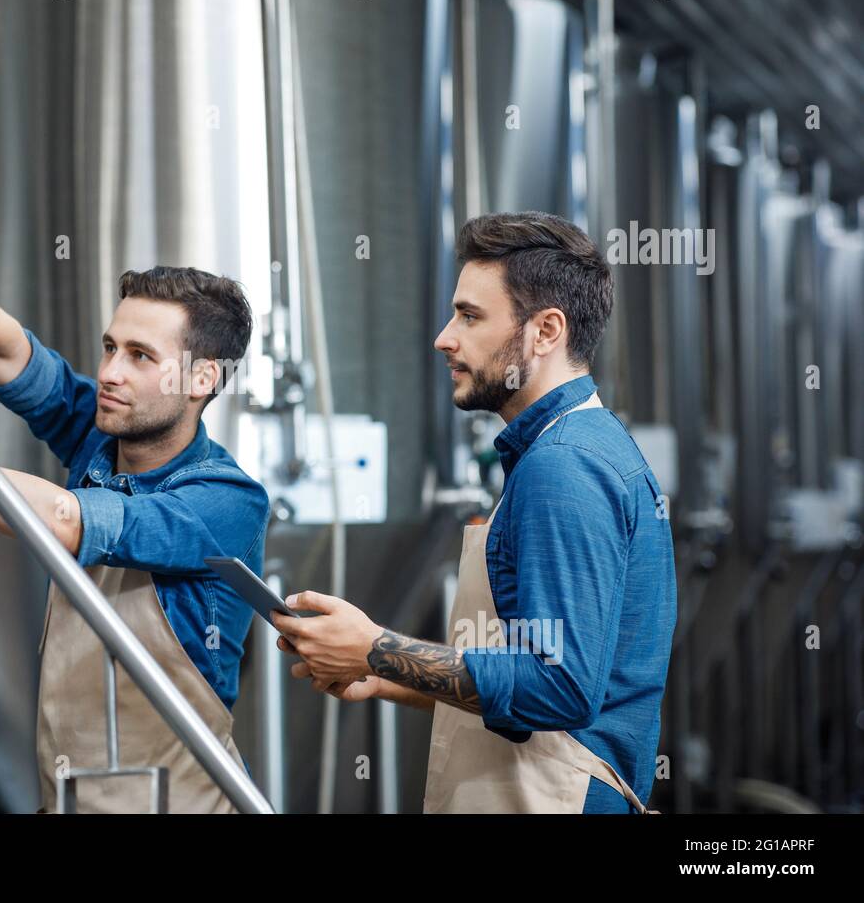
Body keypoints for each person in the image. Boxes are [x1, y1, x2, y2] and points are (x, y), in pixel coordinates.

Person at [0, 224, 270, 812]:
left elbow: (64, 519)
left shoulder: (226, 500)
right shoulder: (101, 437)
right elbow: (7, 352)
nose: (110, 372)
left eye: (141, 357)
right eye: (111, 347)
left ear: (201, 378)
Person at [273, 211, 675, 813]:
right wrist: (391, 677)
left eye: (469, 315)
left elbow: (561, 688)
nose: (444, 337)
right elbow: (531, 686)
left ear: (546, 331)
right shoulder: (566, 448)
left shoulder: (563, 466)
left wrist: (377, 647)